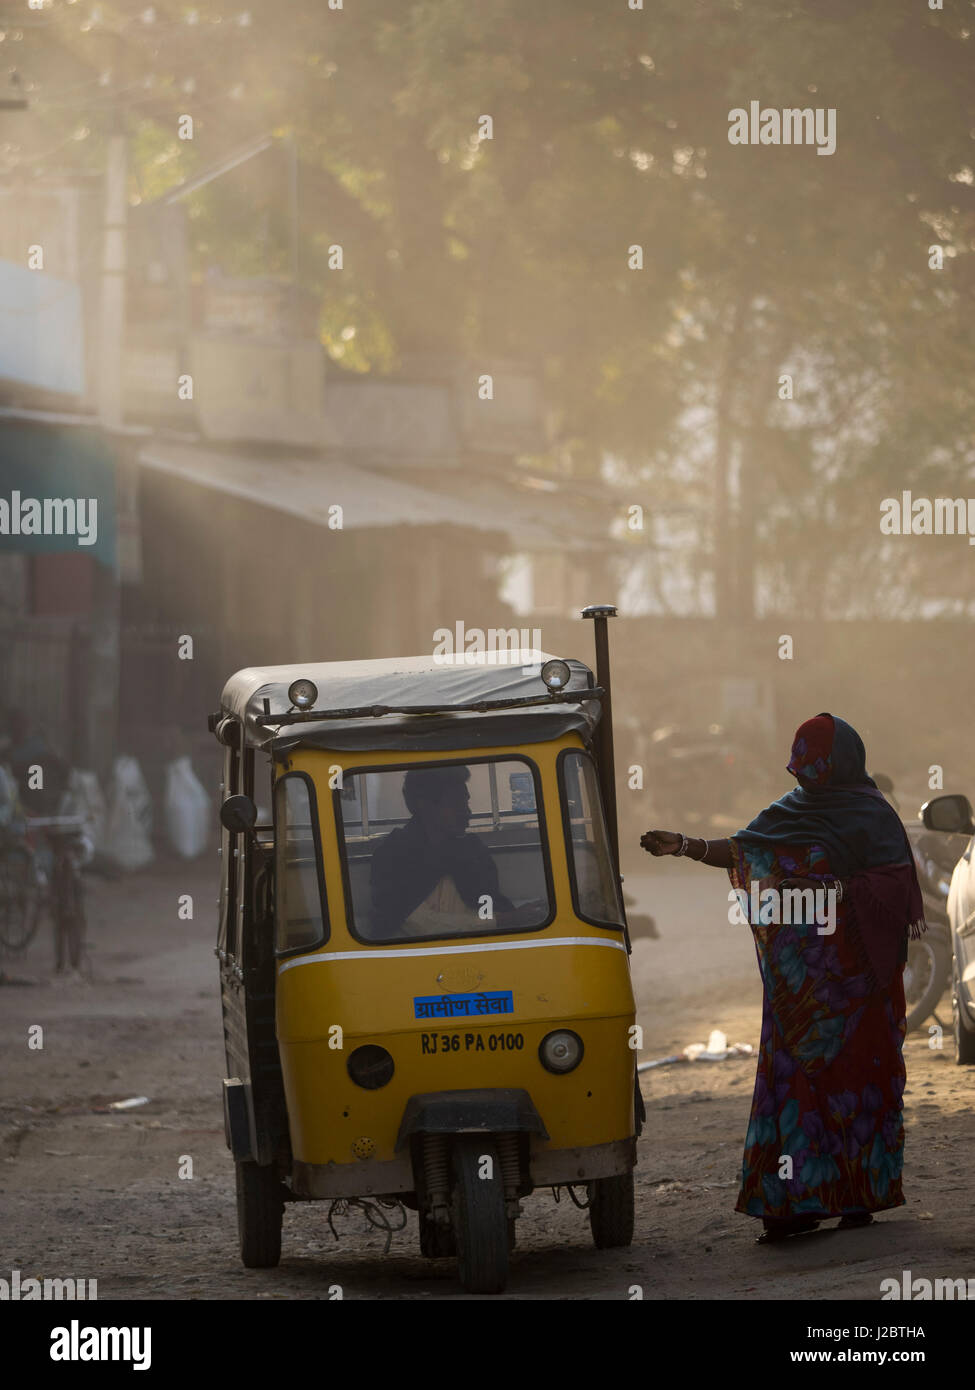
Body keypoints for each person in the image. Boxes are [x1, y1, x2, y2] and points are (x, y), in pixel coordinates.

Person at [641, 712, 924, 1245]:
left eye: (814, 770)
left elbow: (895, 884)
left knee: (860, 1082)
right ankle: (793, 1203)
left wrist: (840, 889)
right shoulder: (788, 811)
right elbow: (745, 849)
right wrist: (682, 845)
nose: (804, 782)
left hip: (861, 985)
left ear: (841, 764)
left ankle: (860, 1195)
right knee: (795, 1086)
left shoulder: (872, 815)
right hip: (799, 988)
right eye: (799, 772)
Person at [370, 765, 545, 938]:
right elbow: (420, 926)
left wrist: (518, 916)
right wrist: (503, 920)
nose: (467, 812)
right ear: (425, 806)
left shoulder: (471, 851)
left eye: (466, 802)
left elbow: (488, 906)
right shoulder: (393, 855)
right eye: (456, 803)